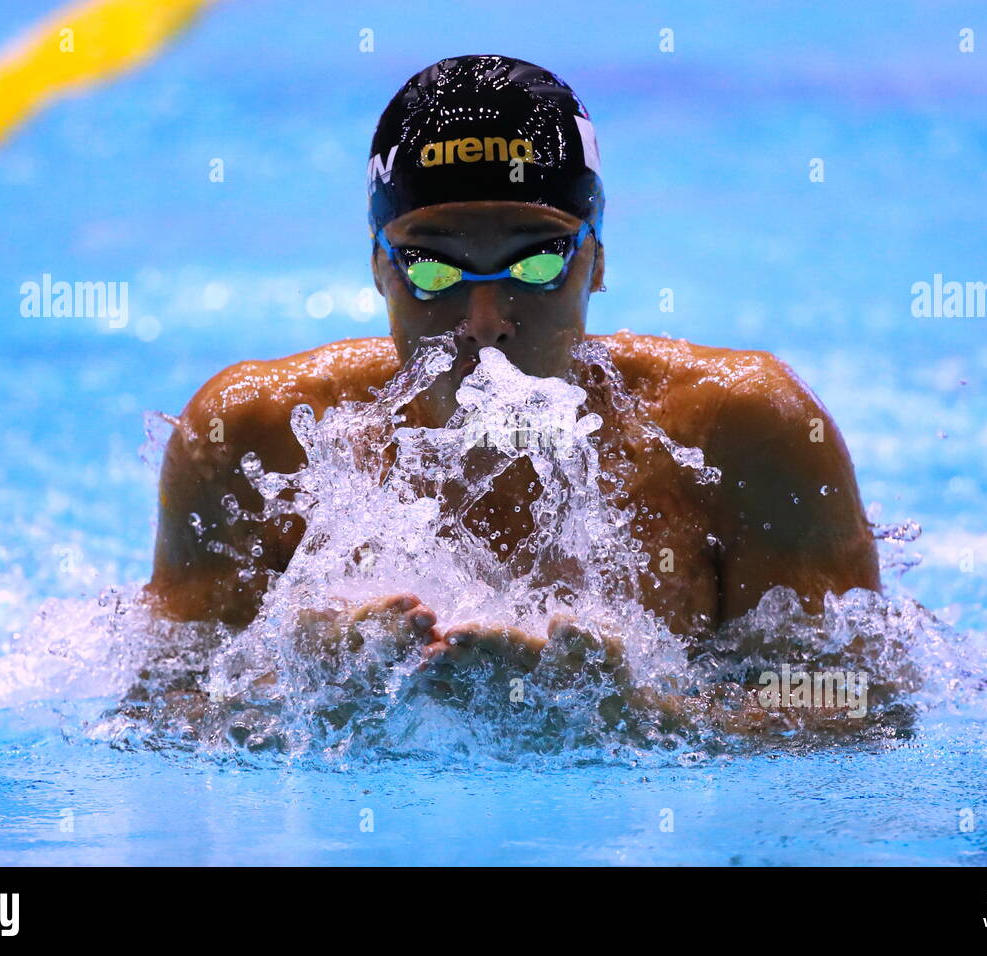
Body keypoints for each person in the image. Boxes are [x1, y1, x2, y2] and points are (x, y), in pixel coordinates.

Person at [140, 55, 879, 717]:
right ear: (377, 268)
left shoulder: (743, 428)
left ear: (596, 261)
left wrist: (647, 716)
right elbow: (153, 710)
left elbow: (863, 704)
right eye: (432, 269)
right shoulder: (250, 437)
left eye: (536, 265)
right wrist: (304, 696)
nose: (486, 320)